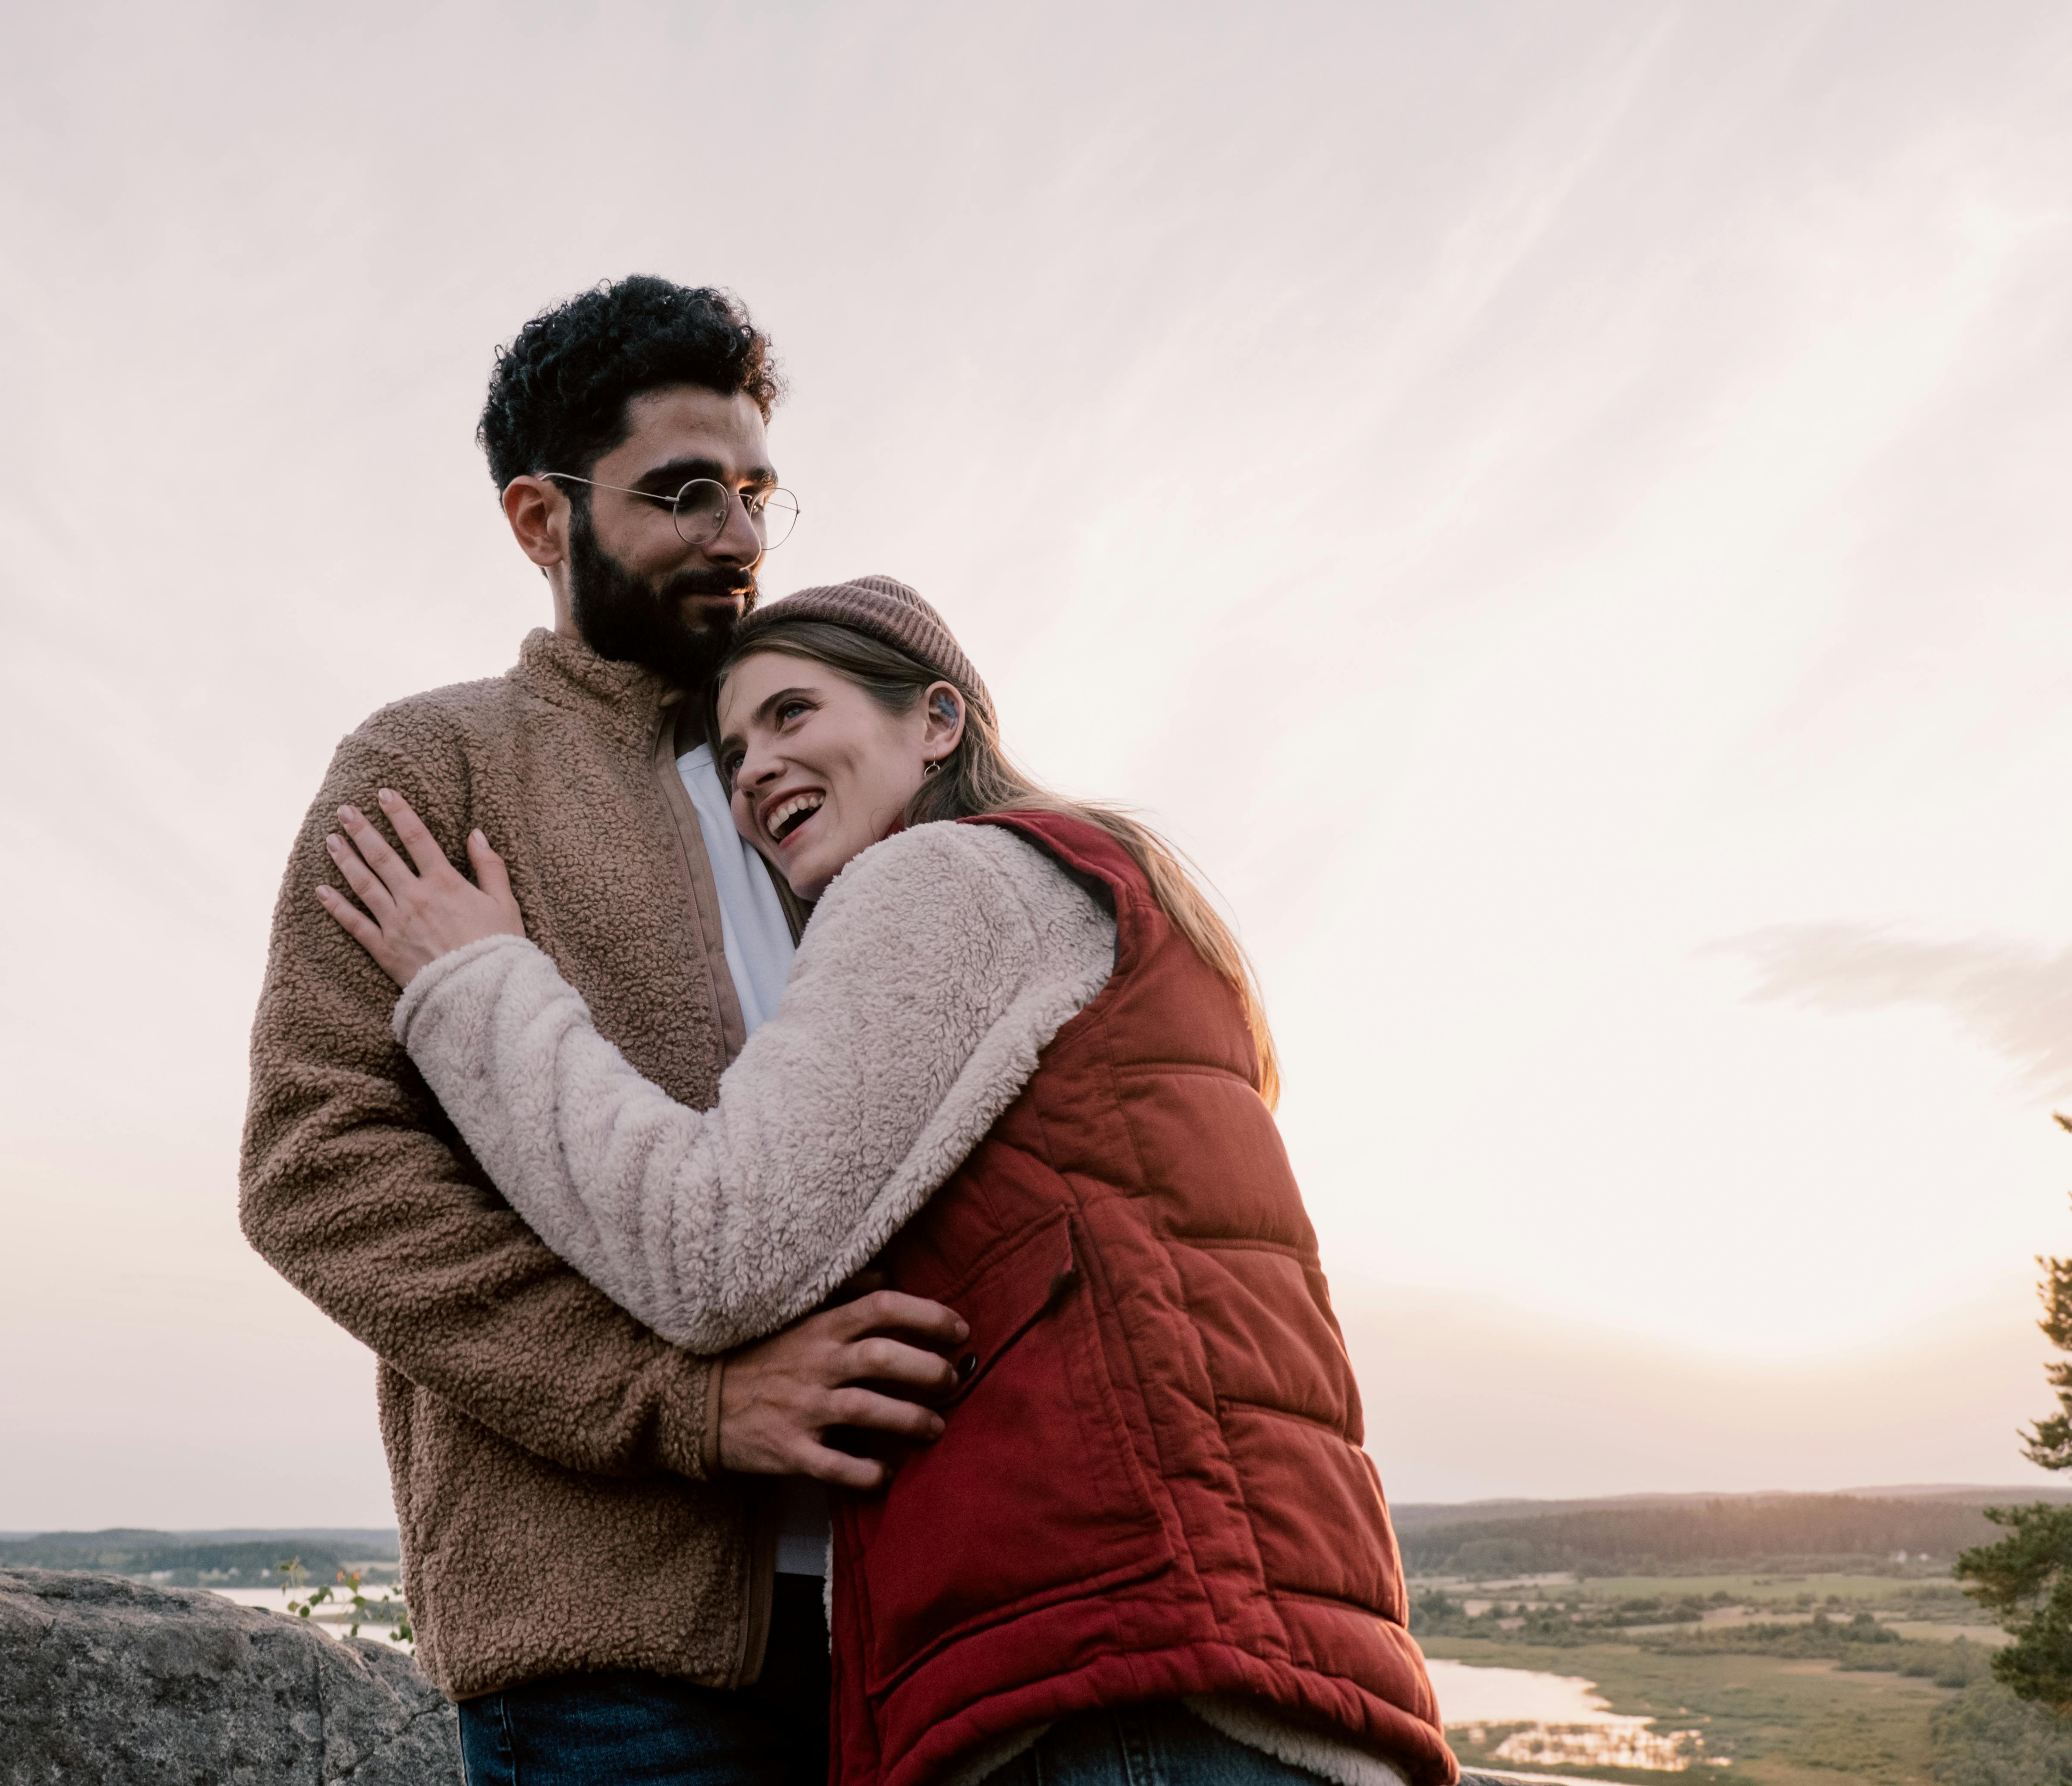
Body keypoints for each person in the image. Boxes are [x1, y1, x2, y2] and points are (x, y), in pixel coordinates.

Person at [314, 577, 1457, 1786]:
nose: (757, 771)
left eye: (795, 714)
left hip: (1116, 1672)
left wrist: (480, 979)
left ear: (940, 724)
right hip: (1241, 1646)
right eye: (735, 749)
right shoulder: (1106, 893)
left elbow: (711, 1250)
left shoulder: (949, 880)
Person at [240, 282, 969, 1786]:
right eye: (685, 492)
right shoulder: (434, 762)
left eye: (758, 491)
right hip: (613, 1658)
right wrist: (681, 1406)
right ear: (538, 517)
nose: (743, 537)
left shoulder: (820, 759)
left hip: (918, 1621)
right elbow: (315, 1165)